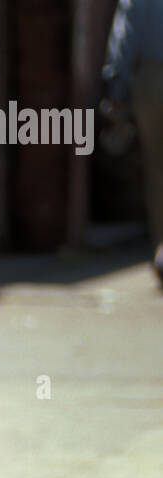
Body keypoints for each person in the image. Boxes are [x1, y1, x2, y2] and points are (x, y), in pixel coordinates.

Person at [102, 0, 163, 287]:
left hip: (151, 78)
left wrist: (116, 86)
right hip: (151, 75)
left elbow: (125, 32)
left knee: (157, 169)